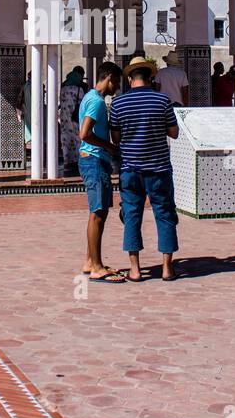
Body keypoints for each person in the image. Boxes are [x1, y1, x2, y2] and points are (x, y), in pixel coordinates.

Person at [109, 57, 180, 282]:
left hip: (130, 168)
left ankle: (136, 269)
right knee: (165, 215)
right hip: (159, 167)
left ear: (130, 79)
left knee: (132, 216)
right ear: (150, 78)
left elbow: (116, 137)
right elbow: (174, 132)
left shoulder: (119, 104)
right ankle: (167, 268)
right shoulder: (163, 101)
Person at [78, 61, 124, 283]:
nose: (117, 88)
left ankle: (90, 260)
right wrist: (110, 147)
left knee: (98, 212)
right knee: (98, 213)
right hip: (94, 159)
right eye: (117, 83)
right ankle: (96, 266)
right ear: (110, 78)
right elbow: (84, 133)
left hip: (93, 159)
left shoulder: (89, 97)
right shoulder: (96, 101)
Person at [59, 66, 88, 176]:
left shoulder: (63, 85)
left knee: (66, 139)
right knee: (78, 138)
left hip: (64, 117)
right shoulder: (82, 86)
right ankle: (79, 160)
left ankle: (68, 161)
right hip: (77, 117)